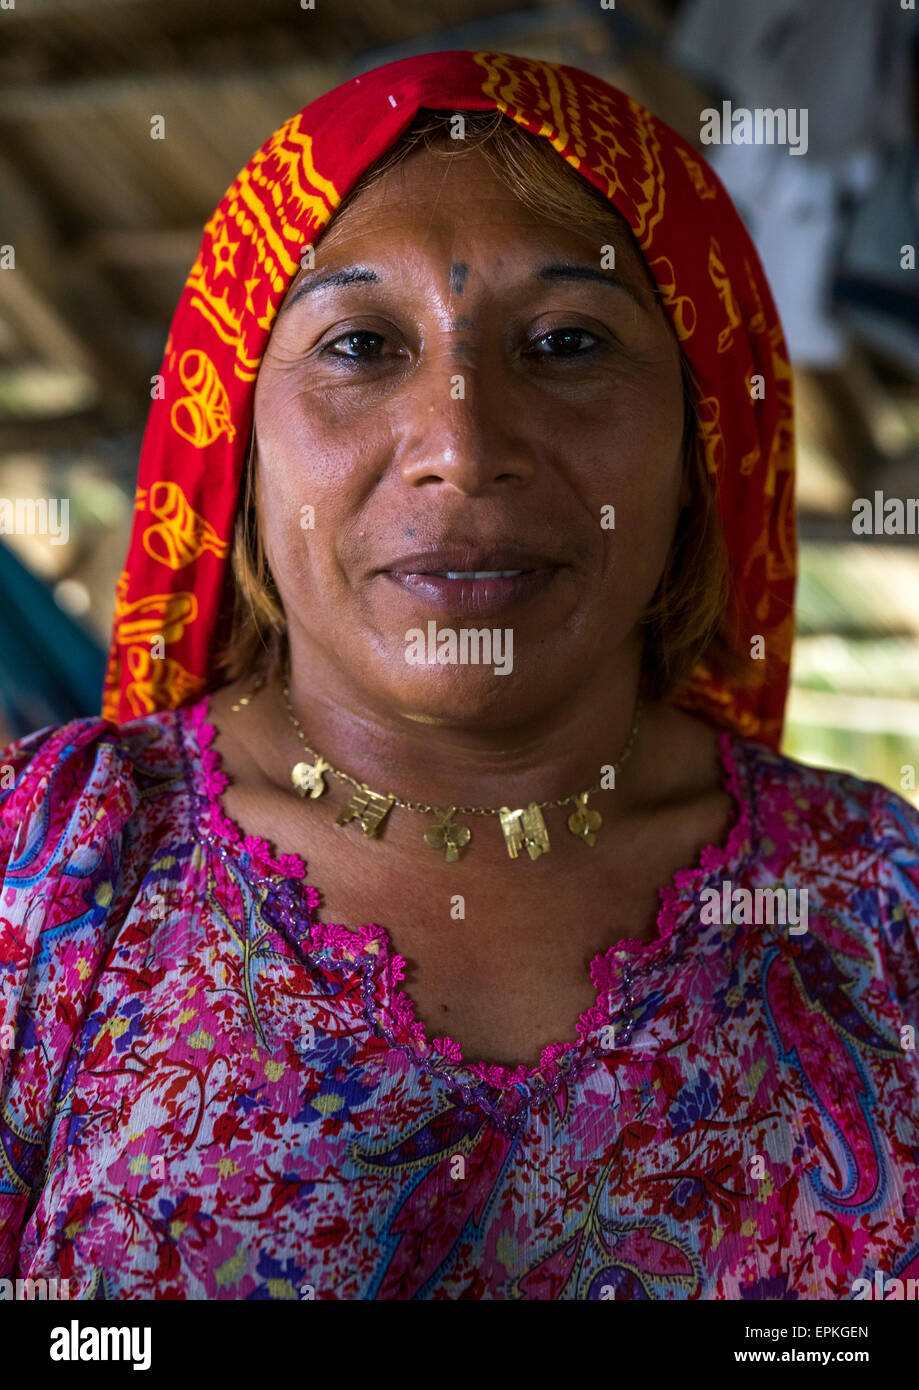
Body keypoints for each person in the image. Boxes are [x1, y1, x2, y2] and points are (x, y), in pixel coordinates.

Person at [1, 50, 916, 1301]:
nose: (463, 446)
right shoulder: (48, 875)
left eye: (566, 340)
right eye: (364, 342)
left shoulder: (876, 916)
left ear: (702, 439)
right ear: (239, 441)